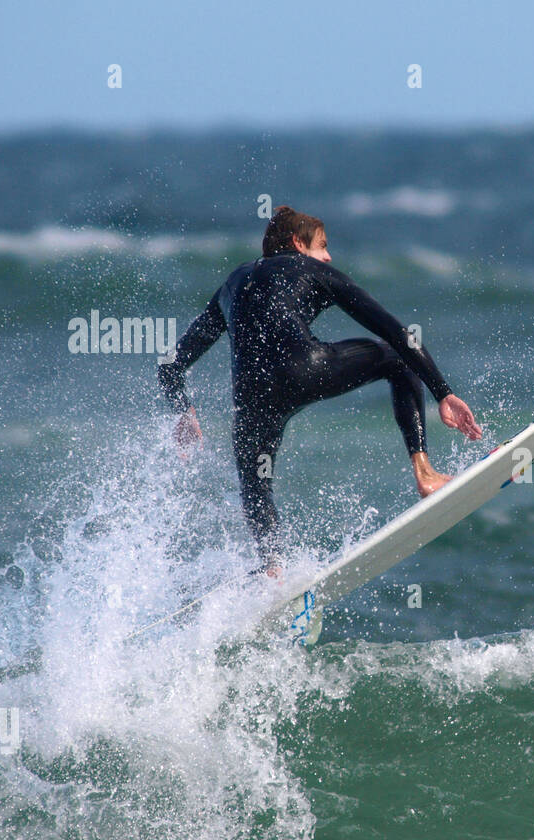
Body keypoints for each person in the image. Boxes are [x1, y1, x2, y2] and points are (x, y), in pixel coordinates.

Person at [158, 205, 482, 576]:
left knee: (256, 487)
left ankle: (272, 571)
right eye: (322, 245)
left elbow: (170, 364)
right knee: (397, 360)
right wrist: (442, 392)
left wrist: (182, 412)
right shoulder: (313, 270)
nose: (328, 255)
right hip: (304, 370)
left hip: (252, 401)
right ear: (298, 244)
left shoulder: (233, 284)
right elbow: (396, 332)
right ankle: (425, 473)